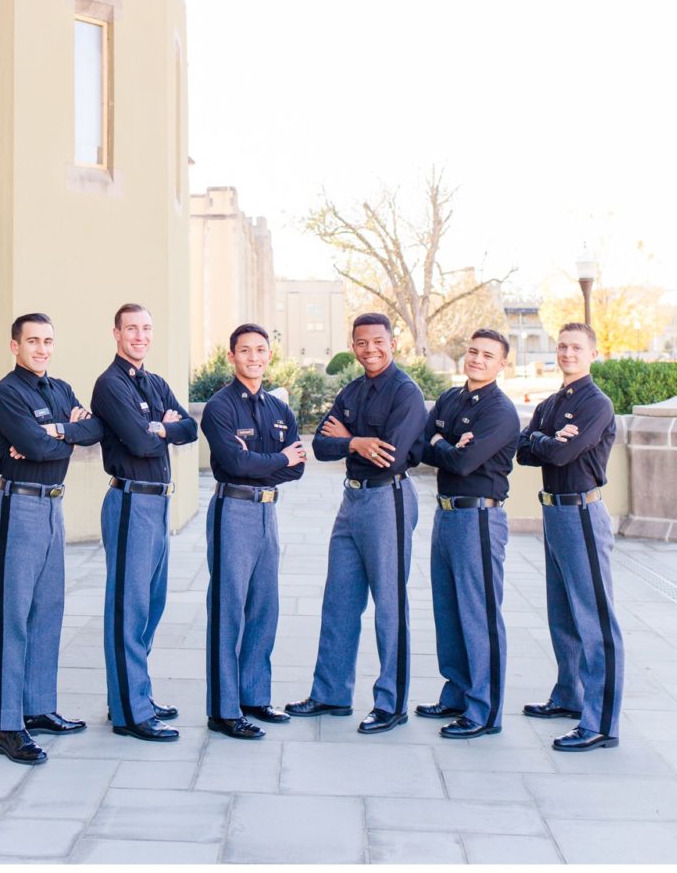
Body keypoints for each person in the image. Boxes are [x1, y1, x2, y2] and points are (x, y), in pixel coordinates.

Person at [287, 313, 428, 733]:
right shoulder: (352, 390)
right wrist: (357, 441)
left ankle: (391, 703)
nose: (370, 349)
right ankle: (331, 693)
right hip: (352, 500)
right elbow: (322, 446)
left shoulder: (406, 393)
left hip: (389, 498)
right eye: (362, 343)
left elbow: (392, 455)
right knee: (339, 599)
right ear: (353, 346)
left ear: (393, 342)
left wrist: (355, 439)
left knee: (389, 603)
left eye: (378, 342)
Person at [0, 312, 105, 764]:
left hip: (53, 504)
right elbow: (33, 450)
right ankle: (8, 725)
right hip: (19, 505)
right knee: (14, 614)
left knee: (49, 609)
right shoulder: (5, 393)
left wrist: (57, 432)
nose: (41, 349)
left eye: (48, 341)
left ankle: (37, 707)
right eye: (32, 341)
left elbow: (95, 429)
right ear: (14, 345)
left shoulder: (60, 390)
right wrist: (61, 436)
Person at [91, 303, 199, 742]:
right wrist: (160, 427)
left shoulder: (155, 382)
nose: (140, 336)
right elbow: (137, 441)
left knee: (151, 607)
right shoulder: (109, 385)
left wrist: (162, 427)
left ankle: (134, 693)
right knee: (127, 608)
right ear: (116, 333)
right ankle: (130, 713)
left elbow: (190, 428)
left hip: (158, 505)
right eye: (131, 328)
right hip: (131, 501)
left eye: (146, 328)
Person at [198, 324, 308, 740]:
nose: (254, 357)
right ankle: (224, 710)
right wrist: (277, 457)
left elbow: (296, 469)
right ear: (232, 357)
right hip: (234, 510)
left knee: (265, 606)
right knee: (229, 609)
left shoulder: (280, 410)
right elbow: (235, 464)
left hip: (268, 513)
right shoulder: (220, 408)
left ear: (269, 354)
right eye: (245, 351)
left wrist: (265, 460)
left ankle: (254, 697)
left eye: (261, 350)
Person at [517, 322, 623, 752]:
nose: (567, 353)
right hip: (553, 511)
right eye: (562, 346)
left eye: (576, 347)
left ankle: (600, 723)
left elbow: (559, 453)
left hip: (582, 512)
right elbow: (524, 451)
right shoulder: (551, 403)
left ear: (593, 354)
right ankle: (569, 696)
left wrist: (543, 442)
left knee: (595, 620)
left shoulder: (597, 404)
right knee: (562, 614)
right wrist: (546, 438)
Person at [415, 328, 520, 739]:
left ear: (501, 364)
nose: (477, 359)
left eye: (487, 355)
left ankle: (484, 711)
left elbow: (462, 463)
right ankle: (456, 693)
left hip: (479, 519)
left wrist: (443, 443)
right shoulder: (449, 399)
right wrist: (445, 442)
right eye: (473, 351)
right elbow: (422, 446)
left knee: (479, 613)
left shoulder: (500, 411)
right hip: (446, 515)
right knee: (449, 609)